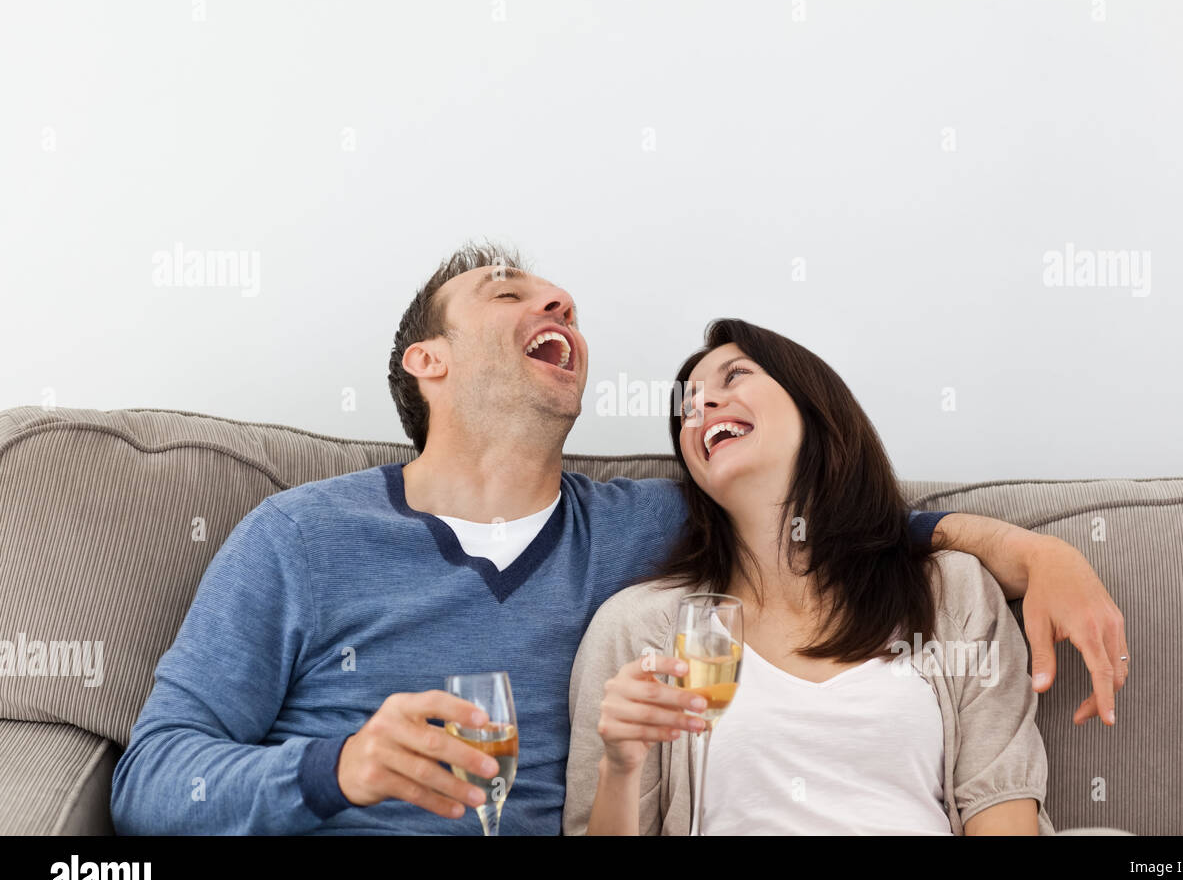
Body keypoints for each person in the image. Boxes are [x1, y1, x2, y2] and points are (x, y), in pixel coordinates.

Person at [110, 243, 1127, 835]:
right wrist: (335, 767)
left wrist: (1033, 552)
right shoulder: (297, 536)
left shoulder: (653, 528)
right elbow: (153, 779)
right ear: (429, 360)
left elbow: (836, 530)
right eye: (509, 293)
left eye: (563, 301)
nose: (557, 302)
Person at [566, 319, 1067, 834]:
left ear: (814, 404)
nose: (702, 407)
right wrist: (620, 768)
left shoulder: (952, 592)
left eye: (734, 376)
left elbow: (1002, 810)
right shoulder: (639, 629)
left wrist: (1045, 554)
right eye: (687, 407)